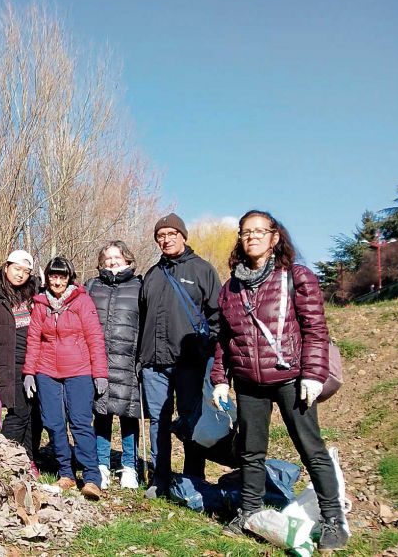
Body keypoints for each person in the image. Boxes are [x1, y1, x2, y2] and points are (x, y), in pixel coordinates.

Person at [210, 210, 347, 549]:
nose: (252, 236)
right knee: (250, 451)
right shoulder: (230, 288)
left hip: (291, 377)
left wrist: (313, 374)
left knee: (310, 448)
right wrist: (219, 379)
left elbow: (315, 330)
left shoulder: (296, 276)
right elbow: (224, 339)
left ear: (274, 238)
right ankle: (250, 510)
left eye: (260, 231)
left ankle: (333, 520)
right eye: (246, 232)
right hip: (248, 380)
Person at [138, 213, 221, 498]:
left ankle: (193, 479)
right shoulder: (152, 275)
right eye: (161, 235)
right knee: (158, 421)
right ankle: (160, 479)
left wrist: (207, 352)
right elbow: (143, 318)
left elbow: (217, 317)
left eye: (172, 233)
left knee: (190, 420)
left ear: (183, 236)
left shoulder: (203, 270)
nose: (166, 239)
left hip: (190, 362)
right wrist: (142, 357)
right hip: (153, 363)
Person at [23, 257, 108, 500]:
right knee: (53, 422)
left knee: (80, 422)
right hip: (47, 371)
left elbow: (95, 337)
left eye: (62, 276)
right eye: (53, 276)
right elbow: (33, 340)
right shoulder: (40, 304)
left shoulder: (82, 301)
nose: (57, 281)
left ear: (69, 277)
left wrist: (100, 373)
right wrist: (30, 372)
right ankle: (66, 473)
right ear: (47, 278)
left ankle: (92, 477)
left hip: (79, 370)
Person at [84, 241, 143, 490]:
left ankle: (129, 467)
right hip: (98, 361)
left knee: (129, 416)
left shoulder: (139, 286)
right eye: (107, 258)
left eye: (117, 257)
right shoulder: (92, 286)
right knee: (102, 413)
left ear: (127, 259)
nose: (112, 261)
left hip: (129, 359)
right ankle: (102, 465)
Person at [0, 250, 43, 475]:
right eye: (16, 269)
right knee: (17, 413)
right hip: (10, 363)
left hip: (36, 362)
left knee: (35, 415)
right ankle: (4, 460)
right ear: (7, 266)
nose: (20, 275)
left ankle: (29, 459)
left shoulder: (35, 293)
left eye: (26, 271)